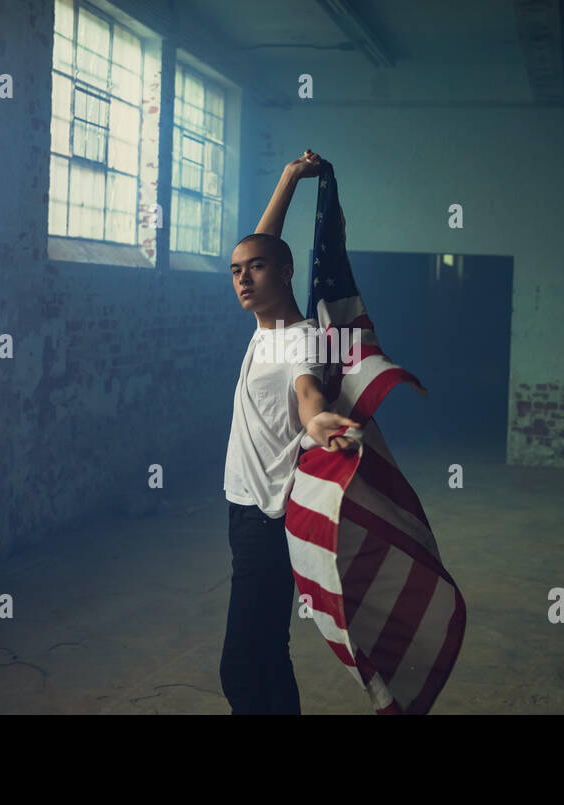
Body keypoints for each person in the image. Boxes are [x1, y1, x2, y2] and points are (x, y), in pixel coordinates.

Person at [220, 149, 361, 715]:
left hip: (268, 517)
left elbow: (307, 390)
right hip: (240, 505)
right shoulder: (262, 327)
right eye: (235, 271)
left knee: (240, 666)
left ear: (285, 274)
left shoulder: (299, 338)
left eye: (253, 269)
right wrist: (288, 178)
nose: (242, 279)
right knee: (268, 652)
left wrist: (317, 417)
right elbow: (262, 244)